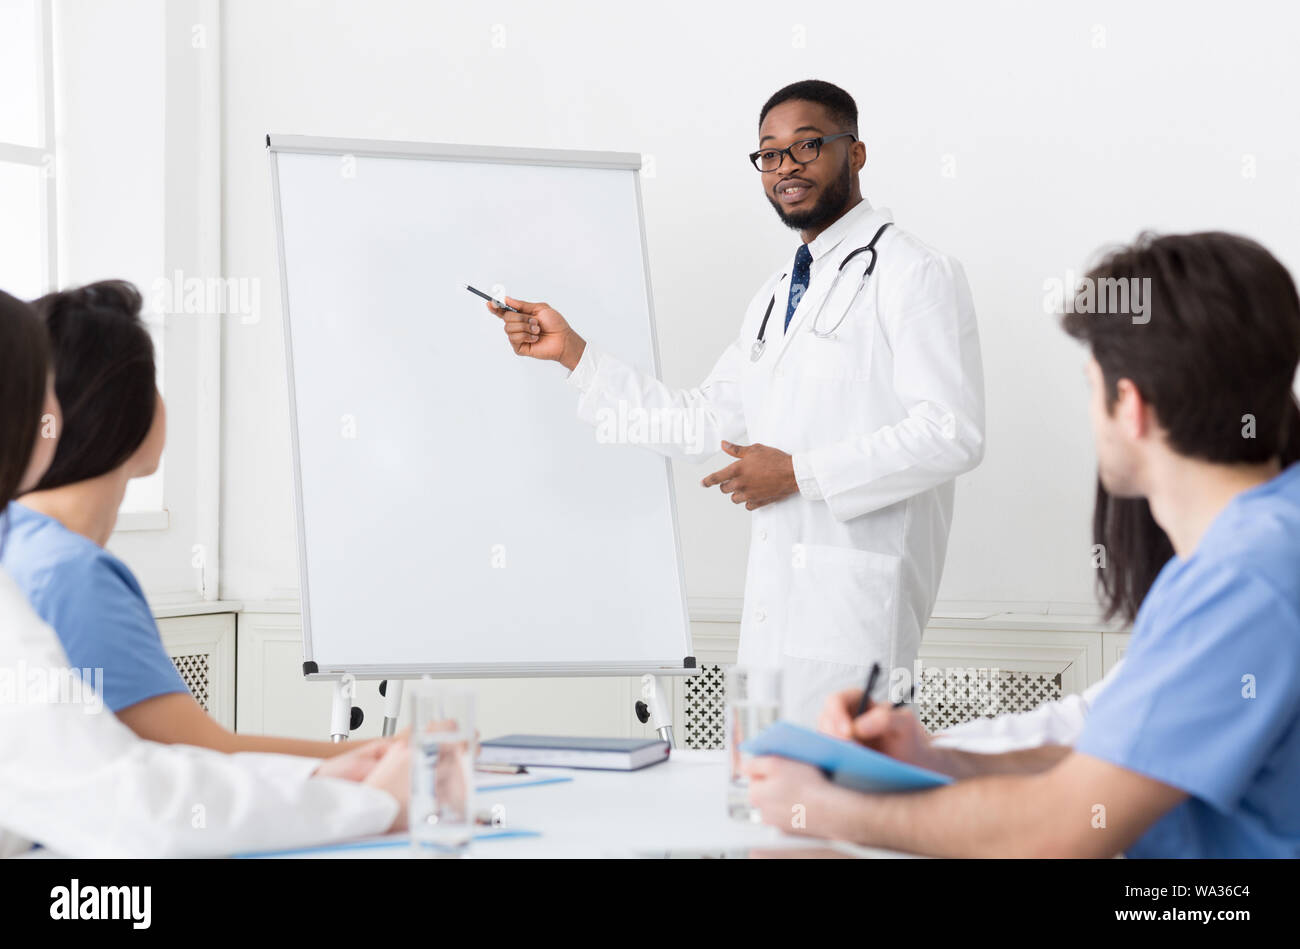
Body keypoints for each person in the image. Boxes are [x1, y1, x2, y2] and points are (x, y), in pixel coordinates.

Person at [747, 231, 1300, 857]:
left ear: (1131, 406)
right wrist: (936, 759)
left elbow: (1064, 826)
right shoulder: (1264, 545)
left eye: (1091, 386)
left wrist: (829, 810)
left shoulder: (1244, 580)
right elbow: (1109, 749)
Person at [487, 79, 985, 724]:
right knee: (766, 797)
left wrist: (798, 473)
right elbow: (703, 421)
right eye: (769, 154)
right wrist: (574, 355)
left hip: (855, 611)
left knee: (845, 799)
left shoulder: (915, 273)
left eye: (807, 146)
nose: (786, 167)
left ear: (855, 153)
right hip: (776, 608)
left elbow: (952, 432)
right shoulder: (777, 294)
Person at [0, 288, 409, 857]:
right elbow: (181, 765)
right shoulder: (72, 573)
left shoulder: (22, 546)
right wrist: (387, 776)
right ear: (119, 406)